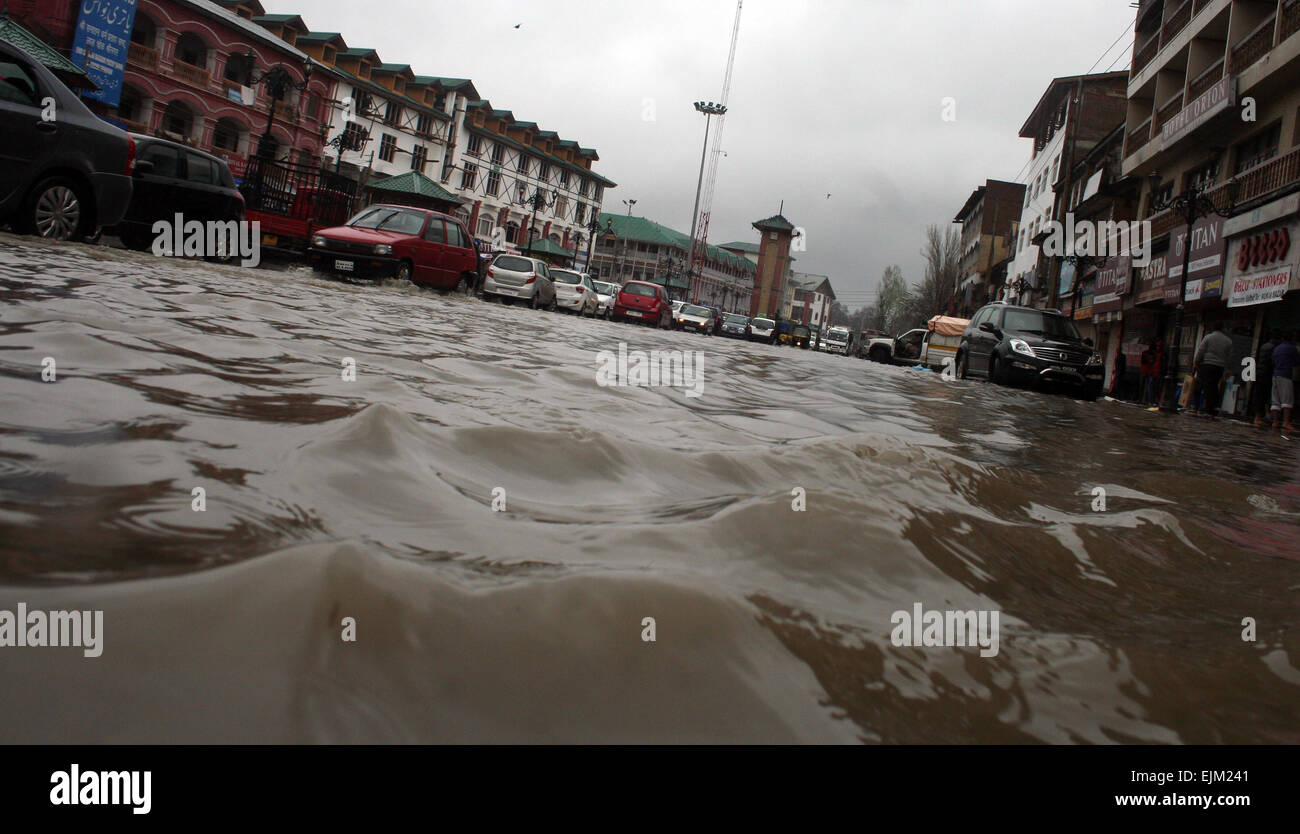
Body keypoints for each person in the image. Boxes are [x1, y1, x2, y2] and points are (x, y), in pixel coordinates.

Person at [1193, 323, 1232, 416]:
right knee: (1213, 386)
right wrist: (1228, 369)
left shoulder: (1208, 337)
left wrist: (1196, 362)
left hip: (1207, 364)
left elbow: (1201, 351)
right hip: (1219, 367)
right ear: (1222, 329)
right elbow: (1229, 357)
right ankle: (1211, 407)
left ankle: (1198, 406)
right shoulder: (1228, 341)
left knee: (1202, 385)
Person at [1271, 331, 1298, 433]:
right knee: (1287, 400)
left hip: (1275, 374)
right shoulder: (1292, 348)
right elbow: (1297, 361)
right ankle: (1286, 422)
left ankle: (1275, 421)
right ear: (1292, 339)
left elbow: (1273, 360)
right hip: (1286, 374)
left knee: (1275, 400)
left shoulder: (1277, 348)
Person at [1253, 330, 1279, 427]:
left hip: (1259, 372)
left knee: (1259, 395)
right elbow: (1272, 362)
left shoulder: (1264, 346)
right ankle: (1260, 417)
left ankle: (1258, 416)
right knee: (1264, 396)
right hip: (1266, 374)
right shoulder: (1274, 348)